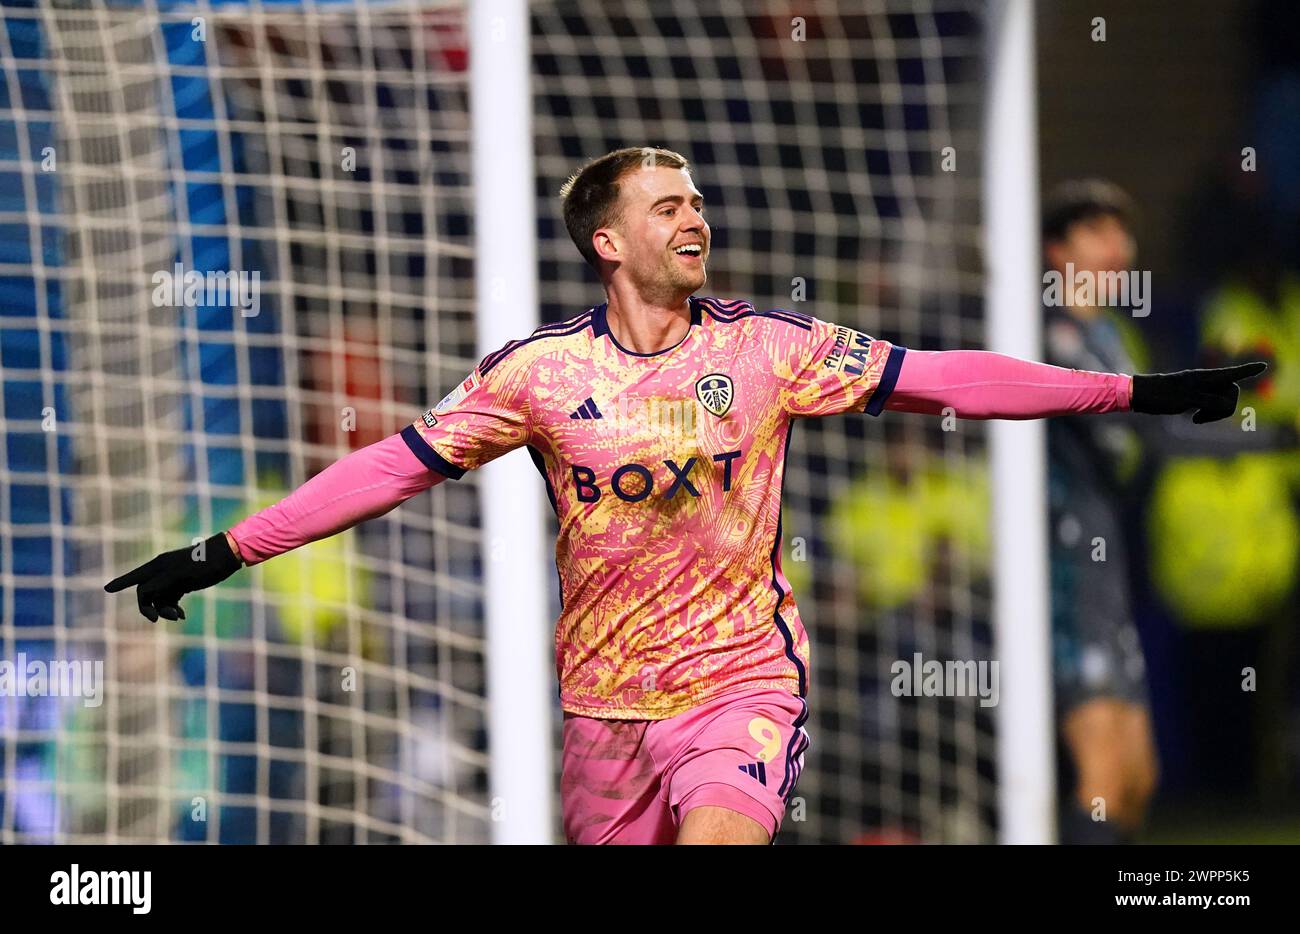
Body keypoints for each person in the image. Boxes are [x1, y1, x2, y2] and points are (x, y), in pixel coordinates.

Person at [106, 147, 1264, 844]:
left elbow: (942, 377)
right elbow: (389, 466)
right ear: (607, 240)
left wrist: (1129, 387)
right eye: (667, 204)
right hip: (604, 711)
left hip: (738, 685)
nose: (694, 214)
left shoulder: (769, 348)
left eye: (696, 198)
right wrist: (221, 551)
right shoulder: (538, 375)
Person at [1041, 180, 1158, 843]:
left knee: (1139, 779)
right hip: (1065, 571)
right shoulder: (1048, 333)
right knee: (1104, 777)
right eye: (1099, 232)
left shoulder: (1110, 336)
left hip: (1108, 571)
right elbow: (1146, 435)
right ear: (1060, 250)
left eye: (1122, 232)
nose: (1120, 247)